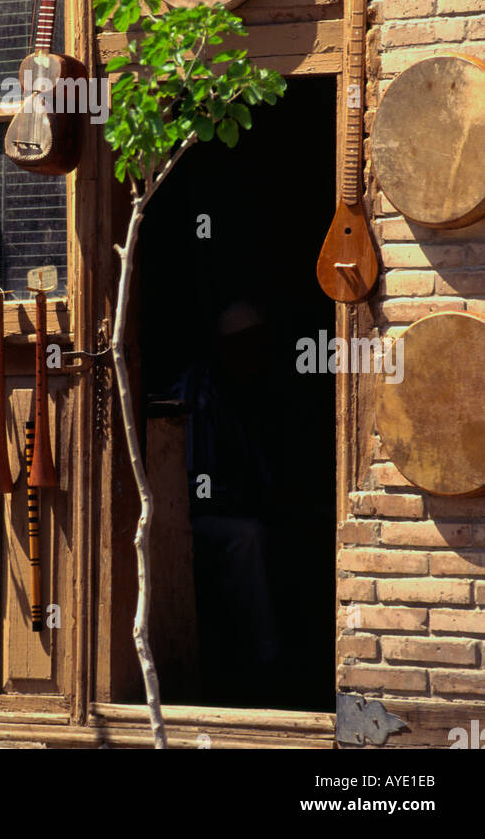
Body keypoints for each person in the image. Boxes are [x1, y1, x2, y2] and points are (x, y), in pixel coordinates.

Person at [180, 301, 283, 705]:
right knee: (248, 537)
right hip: (190, 520)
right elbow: (188, 485)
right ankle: (267, 663)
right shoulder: (199, 392)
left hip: (229, 508)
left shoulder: (248, 395)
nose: (256, 357)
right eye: (246, 346)